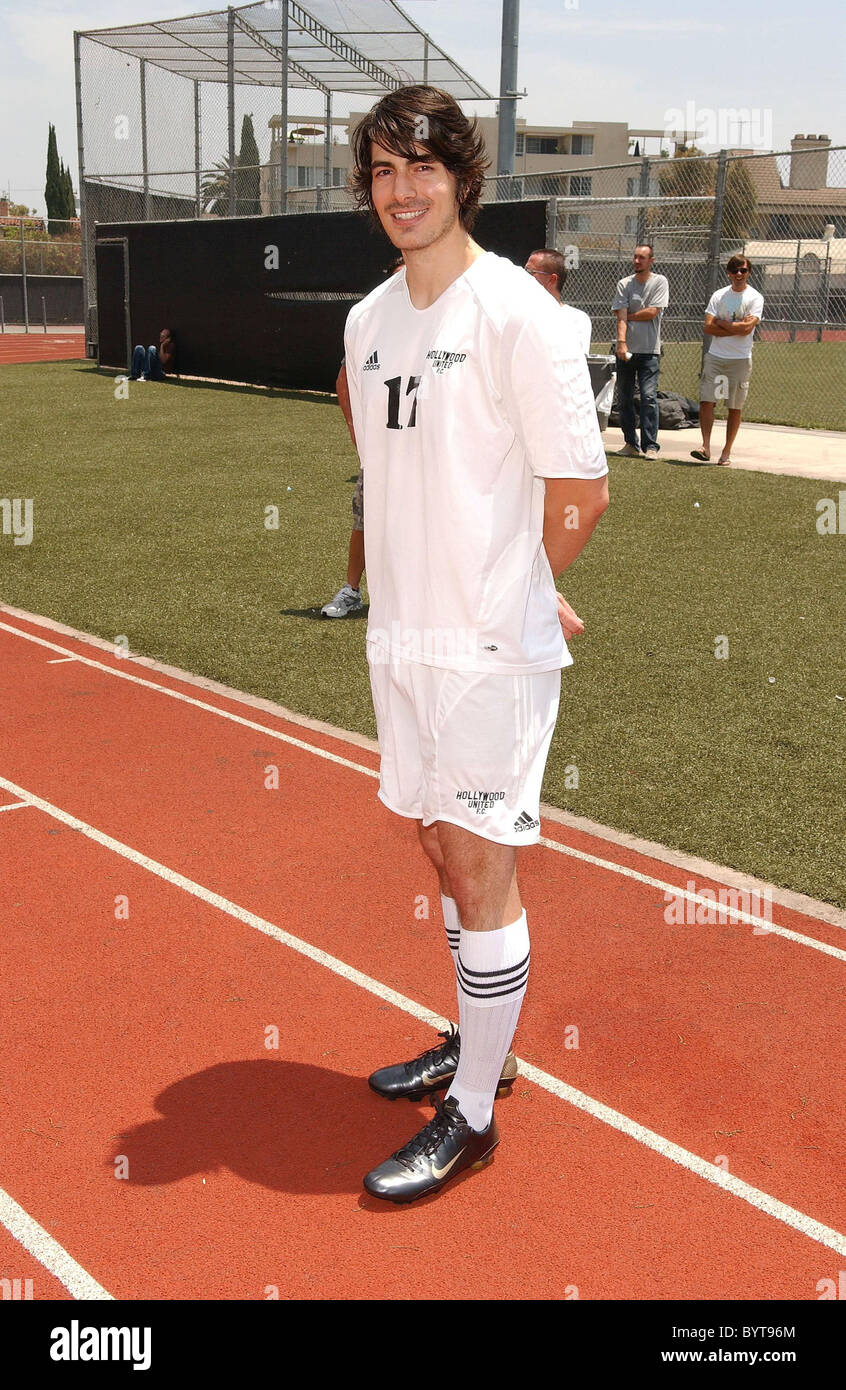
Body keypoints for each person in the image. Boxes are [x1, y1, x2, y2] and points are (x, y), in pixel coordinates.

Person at [344, 84, 609, 1204]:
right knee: (439, 852)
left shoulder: (517, 314)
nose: (401, 192)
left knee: (482, 867)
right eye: (383, 172)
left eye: (422, 169)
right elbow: (386, 475)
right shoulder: (364, 323)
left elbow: (580, 491)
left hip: (487, 654)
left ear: (463, 179)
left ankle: (472, 1115)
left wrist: (526, 591)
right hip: (403, 641)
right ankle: (474, 1037)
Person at [691, 256, 764, 466]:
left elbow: (747, 329)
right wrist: (734, 326)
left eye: (742, 270)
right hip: (716, 356)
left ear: (749, 272)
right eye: (734, 270)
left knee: (734, 407)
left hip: (740, 359)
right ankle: (705, 446)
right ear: (728, 273)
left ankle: (726, 452)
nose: (738, 274)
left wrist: (722, 323)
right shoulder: (719, 295)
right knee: (707, 401)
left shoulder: (755, 297)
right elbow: (708, 327)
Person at [611, 245, 669, 459]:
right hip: (626, 350)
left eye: (642, 258)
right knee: (624, 398)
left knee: (648, 397)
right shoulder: (624, 284)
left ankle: (651, 446)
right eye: (635, 257)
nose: (637, 261)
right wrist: (622, 343)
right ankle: (630, 443)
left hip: (649, 352)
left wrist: (628, 315)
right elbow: (620, 317)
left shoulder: (659, 282)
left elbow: (653, 312)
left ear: (651, 260)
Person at [320, 358, 366, 618]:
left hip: (434, 447)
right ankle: (351, 590)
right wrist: (353, 426)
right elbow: (344, 377)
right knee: (365, 519)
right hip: (382, 447)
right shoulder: (370, 323)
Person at [524, 247, 592, 352]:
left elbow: (575, 360)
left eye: (531, 272)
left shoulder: (577, 319)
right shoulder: (517, 312)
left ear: (552, 279)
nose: (524, 276)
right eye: (524, 270)